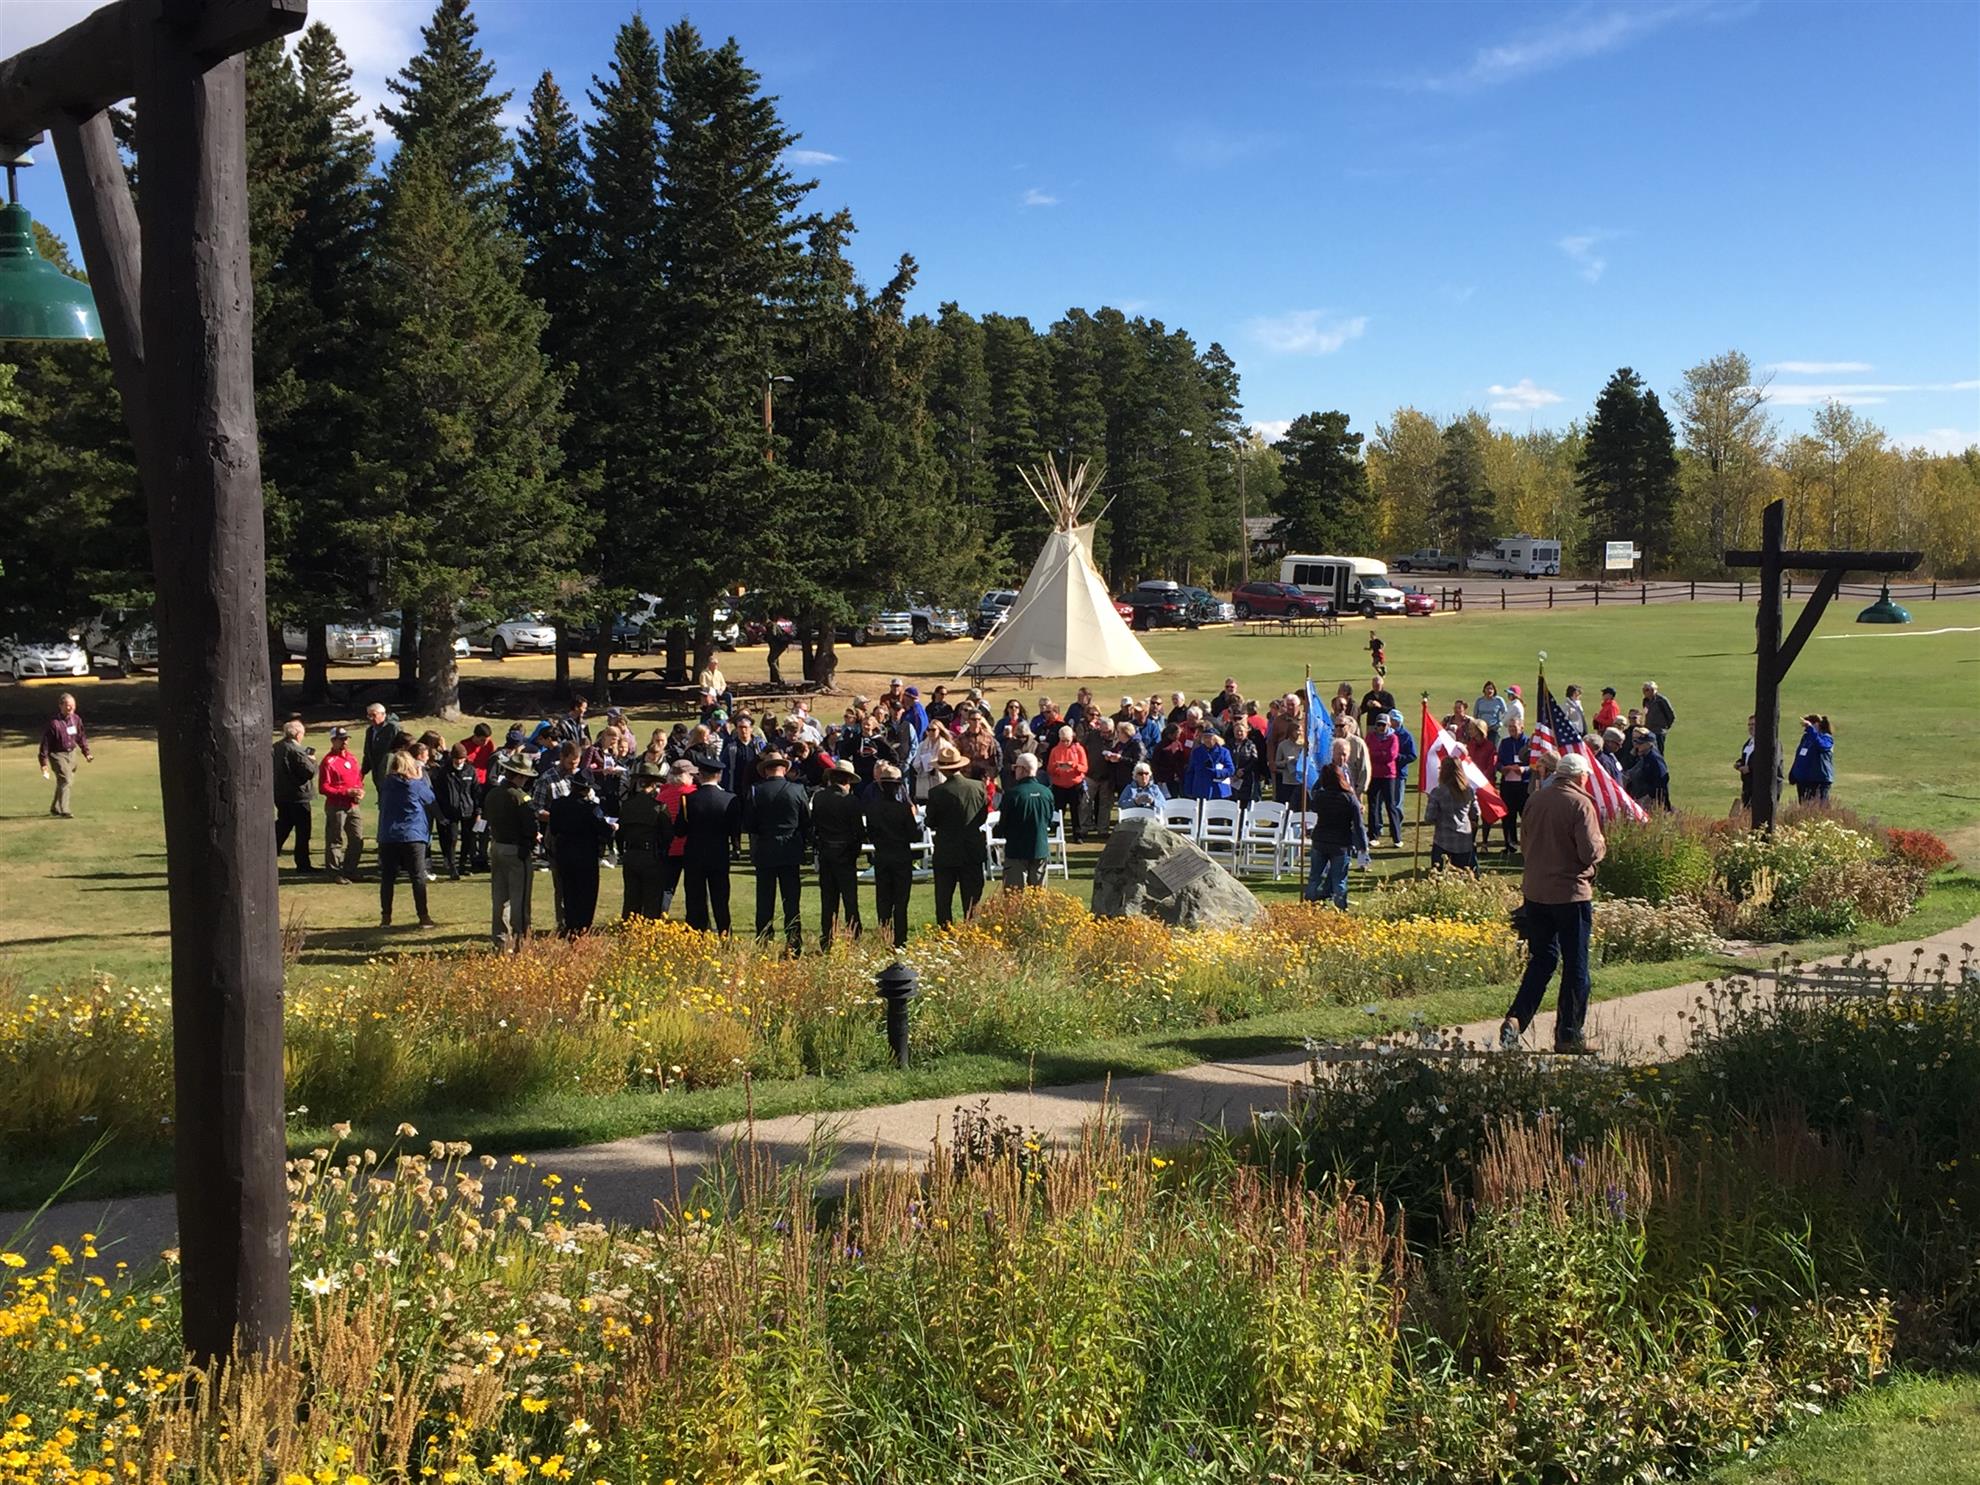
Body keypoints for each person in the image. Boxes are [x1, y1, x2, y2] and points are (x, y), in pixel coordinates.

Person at [1498, 752, 1606, 1053]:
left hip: (1536, 892)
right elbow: (1589, 852)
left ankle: (1517, 1019)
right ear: (1580, 776)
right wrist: (1600, 849)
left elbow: (1526, 841)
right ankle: (1568, 1034)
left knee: (1542, 960)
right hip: (1570, 894)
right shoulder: (1579, 803)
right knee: (1576, 966)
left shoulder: (1536, 798)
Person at [746, 752, 809, 953]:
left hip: (764, 849)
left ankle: (763, 941)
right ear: (784, 769)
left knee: (764, 900)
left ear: (766, 770)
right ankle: (794, 941)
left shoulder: (755, 790)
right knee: (791, 900)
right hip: (790, 850)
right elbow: (806, 821)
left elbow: (749, 824)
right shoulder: (797, 789)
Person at [924, 743, 988, 927]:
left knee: (944, 898)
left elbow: (930, 821)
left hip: (946, 850)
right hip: (972, 848)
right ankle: (972, 931)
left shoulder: (937, 792)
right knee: (972, 899)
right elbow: (982, 817)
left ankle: (945, 933)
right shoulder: (978, 787)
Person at [481, 754, 539, 951]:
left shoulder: (492, 794)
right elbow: (530, 827)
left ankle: (500, 941)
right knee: (520, 899)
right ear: (521, 776)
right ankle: (522, 942)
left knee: (500, 897)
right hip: (516, 851)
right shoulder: (520, 798)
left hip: (497, 846)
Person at [376, 750, 437, 929]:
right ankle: (423, 916)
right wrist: (418, 778)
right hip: (412, 834)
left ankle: (385, 917)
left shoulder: (386, 784)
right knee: (417, 876)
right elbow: (430, 798)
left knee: (388, 878)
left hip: (388, 835)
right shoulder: (414, 785)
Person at [680, 759, 739, 934]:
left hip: (694, 855)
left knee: (695, 899)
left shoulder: (688, 800)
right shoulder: (730, 799)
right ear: (719, 776)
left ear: (700, 775)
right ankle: (724, 934)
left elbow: (680, 830)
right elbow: (734, 831)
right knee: (720, 899)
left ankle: (697, 935)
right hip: (719, 854)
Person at [549, 776, 613, 937]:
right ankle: (583, 927)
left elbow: (554, 829)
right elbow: (605, 831)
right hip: (586, 856)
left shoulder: (557, 805)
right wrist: (613, 827)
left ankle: (570, 925)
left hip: (564, 854)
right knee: (587, 894)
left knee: (569, 892)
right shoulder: (591, 808)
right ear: (587, 790)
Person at [864, 761, 919, 948]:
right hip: (902, 856)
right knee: (901, 901)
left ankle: (885, 935)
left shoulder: (872, 808)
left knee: (883, 900)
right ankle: (901, 939)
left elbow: (870, 833)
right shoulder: (903, 808)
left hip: (882, 856)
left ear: (881, 784)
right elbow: (914, 835)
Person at [812, 758, 866, 949]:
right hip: (845, 853)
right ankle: (855, 938)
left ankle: (827, 940)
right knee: (850, 900)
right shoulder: (851, 801)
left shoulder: (819, 797)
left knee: (828, 900)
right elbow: (859, 832)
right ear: (847, 781)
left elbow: (815, 826)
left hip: (826, 852)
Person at [1304, 764, 1367, 909]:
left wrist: (1320, 780)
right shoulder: (1349, 798)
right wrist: (1363, 846)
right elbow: (1358, 825)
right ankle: (1340, 908)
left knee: (1314, 877)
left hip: (1320, 840)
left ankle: (1308, 907)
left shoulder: (1320, 797)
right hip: (1341, 843)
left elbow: (1313, 800)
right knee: (1339, 880)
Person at [617, 759, 671, 918]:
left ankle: (628, 935)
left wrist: (623, 852)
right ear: (654, 785)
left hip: (631, 855)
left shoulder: (627, 805)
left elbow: (620, 834)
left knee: (631, 901)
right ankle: (648, 937)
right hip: (651, 857)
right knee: (652, 902)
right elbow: (668, 835)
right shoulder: (659, 807)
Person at [998, 752, 1056, 889]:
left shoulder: (1013, 794)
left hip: (1017, 850)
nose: (1015, 771)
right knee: (1038, 896)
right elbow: (1049, 819)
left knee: (1014, 896)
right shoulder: (1047, 793)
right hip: (1039, 848)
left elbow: (1003, 823)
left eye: (1016, 767)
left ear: (1023, 769)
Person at [317, 726, 365, 880]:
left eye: (346, 739)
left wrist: (360, 791)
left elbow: (358, 780)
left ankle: (350, 870)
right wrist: (345, 792)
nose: (345, 742)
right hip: (336, 805)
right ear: (333, 741)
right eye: (341, 739)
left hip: (353, 805)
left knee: (357, 839)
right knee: (335, 839)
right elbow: (323, 787)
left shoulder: (352, 758)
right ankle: (334, 872)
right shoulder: (328, 761)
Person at [36, 692, 93, 818]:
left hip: (71, 753)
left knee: (64, 782)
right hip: (57, 754)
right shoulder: (54, 724)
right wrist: (43, 763)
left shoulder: (76, 719)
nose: (71, 708)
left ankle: (55, 808)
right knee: (66, 780)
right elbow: (45, 744)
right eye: (68, 706)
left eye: (73, 705)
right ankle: (65, 810)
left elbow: (80, 737)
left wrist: (86, 753)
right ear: (60, 706)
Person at [1425, 753, 1482, 872]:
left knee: (1440, 878)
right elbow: (1476, 813)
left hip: (1443, 841)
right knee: (1465, 877)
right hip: (1464, 841)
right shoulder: (1468, 791)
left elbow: (1429, 817)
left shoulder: (1438, 792)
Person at [272, 720, 317, 871]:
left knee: (283, 825)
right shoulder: (296, 751)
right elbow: (308, 772)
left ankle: (271, 854)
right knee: (303, 831)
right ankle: (303, 864)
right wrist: (312, 761)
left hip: (280, 794)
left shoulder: (275, 747)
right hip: (298, 796)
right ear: (298, 734)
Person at [432, 743, 479, 880]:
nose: (459, 761)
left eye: (461, 758)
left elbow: (476, 792)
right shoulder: (444, 772)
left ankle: (463, 865)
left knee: (467, 839)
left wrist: (478, 811)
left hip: (467, 810)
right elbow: (439, 792)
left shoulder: (470, 771)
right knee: (451, 839)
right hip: (450, 811)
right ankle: (452, 867)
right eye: (456, 758)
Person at [1364, 710, 1404, 846]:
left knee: (1390, 805)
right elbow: (1368, 752)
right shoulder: (1370, 736)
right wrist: (1381, 754)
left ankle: (1396, 837)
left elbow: (1391, 756)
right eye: (1379, 725)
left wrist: (1378, 755)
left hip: (1388, 776)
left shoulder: (1393, 738)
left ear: (1388, 725)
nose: (1382, 728)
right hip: (1374, 774)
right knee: (1373, 805)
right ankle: (1373, 835)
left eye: (1384, 725)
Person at [1045, 724, 1090, 842]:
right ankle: (1059, 833)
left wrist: (1073, 765)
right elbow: (1049, 769)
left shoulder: (1079, 749)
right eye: (1063, 740)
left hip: (1075, 784)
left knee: (1077, 811)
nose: (1065, 743)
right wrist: (1056, 767)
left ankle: (1078, 835)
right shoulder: (1055, 750)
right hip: (1059, 785)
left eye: (1068, 740)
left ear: (1072, 738)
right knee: (1059, 811)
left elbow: (1085, 768)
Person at [1496, 716, 1531, 854]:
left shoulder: (1529, 743)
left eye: (1514, 727)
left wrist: (1524, 769)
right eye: (1509, 727)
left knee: (1526, 817)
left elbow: (1535, 763)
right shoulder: (1504, 743)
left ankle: (1527, 845)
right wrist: (1502, 768)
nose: (1511, 730)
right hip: (1508, 785)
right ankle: (1510, 845)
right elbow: (1498, 762)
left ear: (1521, 728)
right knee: (1508, 816)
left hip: (1524, 785)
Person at [1789, 714, 1834, 804]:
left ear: (1817, 724)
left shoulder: (1826, 738)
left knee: (1818, 810)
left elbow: (1822, 746)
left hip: (1818, 781)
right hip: (1803, 780)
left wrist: (1811, 730)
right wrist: (1794, 773)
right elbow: (1800, 756)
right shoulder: (1806, 738)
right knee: (1805, 809)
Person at [1183, 725, 1235, 801]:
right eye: (1205, 737)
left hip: (1218, 790)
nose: (1207, 740)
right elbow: (1191, 771)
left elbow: (1230, 770)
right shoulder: (1197, 752)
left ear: (1216, 739)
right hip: (1200, 790)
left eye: (1209, 737)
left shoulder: (1223, 752)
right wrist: (1188, 789)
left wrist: (1217, 773)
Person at [1623, 728, 1670, 810]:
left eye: (1640, 743)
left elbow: (1661, 783)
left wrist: (1650, 797)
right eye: (1634, 742)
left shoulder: (1654, 759)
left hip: (1650, 803)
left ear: (1649, 743)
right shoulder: (1642, 756)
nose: (1636, 746)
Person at [1641, 682, 1675, 754]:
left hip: (1659, 731)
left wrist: (1665, 727)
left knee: (1658, 752)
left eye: (1647, 690)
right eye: (1643, 690)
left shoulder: (1661, 701)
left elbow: (1671, 715)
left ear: (1654, 690)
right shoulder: (1645, 701)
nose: (1644, 692)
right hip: (1648, 730)